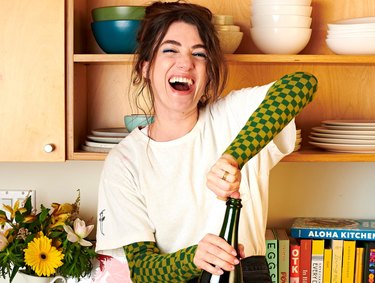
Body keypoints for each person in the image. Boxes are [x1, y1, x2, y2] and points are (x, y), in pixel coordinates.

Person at [95, 1, 317, 282]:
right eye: (170, 50)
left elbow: (301, 84)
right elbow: (142, 269)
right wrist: (195, 258)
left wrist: (232, 157)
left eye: (199, 54)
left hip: (248, 274)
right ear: (145, 67)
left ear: (208, 72)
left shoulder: (234, 115)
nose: (186, 63)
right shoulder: (125, 160)